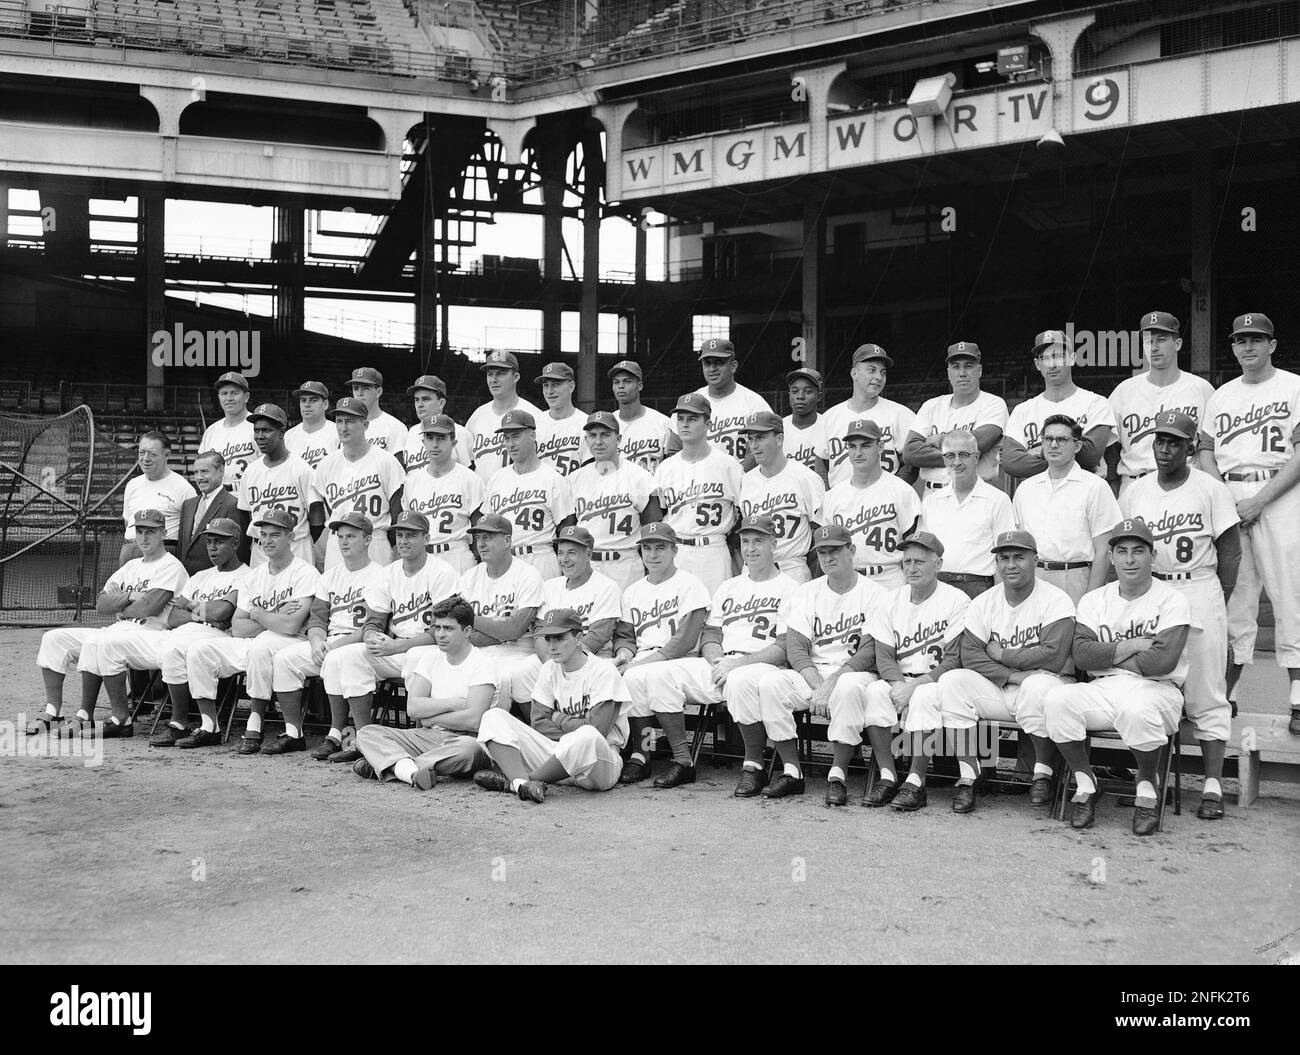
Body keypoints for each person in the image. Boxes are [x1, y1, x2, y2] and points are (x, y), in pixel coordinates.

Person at [1121, 410, 1241, 819]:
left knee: (1207, 690)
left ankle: (1212, 783)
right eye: (1159, 440)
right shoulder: (1137, 490)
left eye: (1174, 442)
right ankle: (1147, 781)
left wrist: (1218, 596)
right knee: (1148, 683)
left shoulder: (1210, 488)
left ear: (1191, 447)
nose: (1165, 449)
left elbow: (1231, 550)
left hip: (1198, 584)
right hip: (1153, 589)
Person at [624, 515, 797, 797]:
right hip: (721, 662)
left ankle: (753, 766)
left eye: (759, 542)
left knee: (741, 680)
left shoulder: (789, 587)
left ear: (774, 544)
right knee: (658, 673)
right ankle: (682, 759)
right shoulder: (729, 587)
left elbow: (784, 647)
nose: (751, 549)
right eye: (745, 542)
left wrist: (736, 664)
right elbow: (711, 634)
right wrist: (718, 660)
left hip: (762, 664)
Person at [1044, 518, 1192, 836]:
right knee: (1057, 700)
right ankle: (1086, 781)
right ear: (1111, 557)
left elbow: (1162, 662)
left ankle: (1147, 788)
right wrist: (1131, 646)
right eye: (1121, 551)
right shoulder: (1095, 600)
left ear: (1152, 556)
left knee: (1136, 709)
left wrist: (1109, 653)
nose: (1129, 559)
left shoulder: (1172, 600)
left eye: (1138, 551)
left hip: (1159, 689)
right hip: (1104, 685)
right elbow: (1081, 655)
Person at [725, 524, 890, 799]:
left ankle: (837, 775)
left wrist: (830, 685)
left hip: (856, 672)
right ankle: (792, 771)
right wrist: (818, 685)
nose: (827, 557)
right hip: (813, 672)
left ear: (851, 551)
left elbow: (869, 651)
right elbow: (796, 648)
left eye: (834, 550)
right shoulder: (807, 592)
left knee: (848, 686)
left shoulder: (876, 593)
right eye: (822, 552)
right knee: (771, 682)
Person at [1204, 313, 1300, 734]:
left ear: (1272, 345)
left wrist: (1260, 500)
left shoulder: (1294, 386)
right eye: (1241, 340)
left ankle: (1298, 699)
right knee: (1236, 602)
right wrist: (1226, 501)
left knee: (1290, 592)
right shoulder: (1221, 395)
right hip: (1231, 496)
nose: (1248, 347)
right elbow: (1205, 453)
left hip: (1280, 495)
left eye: (1257, 340)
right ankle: (1229, 696)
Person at [933, 530, 1076, 813]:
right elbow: (970, 654)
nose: (1011, 564)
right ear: (996, 564)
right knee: (951, 681)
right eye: (1004, 558)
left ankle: (1042, 773)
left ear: (1035, 560)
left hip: (1047, 683)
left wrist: (1002, 655)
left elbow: (1053, 655)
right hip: (1004, 685)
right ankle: (969, 774)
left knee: (1036, 685)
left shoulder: (1056, 599)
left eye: (1019, 557)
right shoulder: (984, 602)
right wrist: (1012, 674)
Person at [825, 532, 968, 809]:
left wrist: (913, 688)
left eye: (920, 562)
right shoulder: (890, 600)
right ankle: (888, 776)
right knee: (876, 692)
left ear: (937, 564)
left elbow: (953, 660)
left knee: (925, 697)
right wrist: (899, 684)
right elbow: (884, 655)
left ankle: (916, 781)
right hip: (898, 678)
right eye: (907, 562)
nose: (911, 568)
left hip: (934, 679)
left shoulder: (956, 600)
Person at [30, 509, 187, 739]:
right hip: (119, 630)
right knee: (54, 638)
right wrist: (130, 597)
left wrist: (122, 603)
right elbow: (101, 604)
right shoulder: (130, 567)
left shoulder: (170, 566)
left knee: (100, 640)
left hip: (153, 633)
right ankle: (54, 712)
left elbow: (149, 608)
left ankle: (108, 718)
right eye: (140, 531)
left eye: (151, 532)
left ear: (163, 533)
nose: (144, 537)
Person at [317, 511, 460, 763]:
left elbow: (444, 629)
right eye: (400, 534)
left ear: (426, 538)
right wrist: (372, 636)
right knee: (349, 655)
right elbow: (374, 620)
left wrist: (397, 645)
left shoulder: (442, 572)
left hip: (433, 649)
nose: (403, 540)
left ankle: (418, 737)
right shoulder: (388, 573)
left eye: (411, 535)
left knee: (417, 655)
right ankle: (364, 739)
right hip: (397, 647)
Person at [178, 509, 321, 751]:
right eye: (263, 535)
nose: (267, 541)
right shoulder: (254, 577)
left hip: (292, 641)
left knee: (261, 646)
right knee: (199, 650)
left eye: (275, 535)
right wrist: (268, 614)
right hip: (257, 638)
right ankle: (208, 726)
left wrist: (255, 614)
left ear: (291, 537)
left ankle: (256, 724)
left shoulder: (305, 573)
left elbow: (291, 625)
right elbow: (238, 626)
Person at [474, 608, 631, 802]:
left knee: (586, 735)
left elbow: (598, 730)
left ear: (579, 638)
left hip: (597, 766)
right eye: (548, 639)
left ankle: (520, 782)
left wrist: (557, 717)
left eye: (559, 638)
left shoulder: (604, 672)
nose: (552, 646)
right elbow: (539, 724)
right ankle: (525, 785)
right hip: (556, 760)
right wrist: (572, 728)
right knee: (493, 716)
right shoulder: (549, 669)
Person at [266, 512, 386, 759]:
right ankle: (293, 733)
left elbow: (375, 624)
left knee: (337, 658)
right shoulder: (330, 575)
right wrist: (317, 642)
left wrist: (333, 646)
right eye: (340, 536)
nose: (344, 542)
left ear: (367, 540)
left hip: (358, 643)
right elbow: (317, 618)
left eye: (351, 536)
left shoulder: (380, 574)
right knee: (284, 659)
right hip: (328, 641)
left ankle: (336, 733)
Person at [353, 595, 496, 788]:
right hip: (428, 737)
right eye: (437, 628)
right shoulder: (430, 657)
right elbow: (413, 708)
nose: (441, 634)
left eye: (449, 628)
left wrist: (432, 718)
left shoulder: (483, 663)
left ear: (467, 631)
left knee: (468, 750)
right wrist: (453, 703)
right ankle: (411, 771)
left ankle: (394, 765)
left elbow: (473, 720)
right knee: (366, 734)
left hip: (465, 740)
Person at [615, 523, 713, 787]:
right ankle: (642, 753)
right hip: (646, 658)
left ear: (674, 550)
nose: (653, 554)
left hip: (684, 660)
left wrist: (640, 664)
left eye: (661, 548)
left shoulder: (690, 584)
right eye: (647, 548)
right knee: (629, 679)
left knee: (651, 674)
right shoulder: (633, 590)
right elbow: (626, 636)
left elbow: (686, 640)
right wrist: (624, 655)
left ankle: (683, 759)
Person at [143, 518, 249, 747]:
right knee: (171, 647)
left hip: (219, 635)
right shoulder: (201, 576)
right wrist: (199, 613)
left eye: (219, 541)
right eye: (210, 541)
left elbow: (223, 612)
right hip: (191, 630)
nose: (212, 547)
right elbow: (172, 616)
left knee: (179, 648)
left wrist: (192, 606)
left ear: (235, 543)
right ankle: (179, 724)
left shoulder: (246, 575)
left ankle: (205, 725)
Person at [1011, 414, 1121, 604]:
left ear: (1077, 446)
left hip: (1075, 578)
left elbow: (1103, 550)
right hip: (1032, 580)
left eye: (1062, 439)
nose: (1054, 445)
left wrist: (1091, 601)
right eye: (1048, 439)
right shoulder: (1025, 489)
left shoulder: (1095, 487)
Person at [1109, 311, 1215, 495]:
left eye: (1162, 339)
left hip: (1187, 486)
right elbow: (1109, 448)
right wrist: (1114, 487)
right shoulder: (1123, 391)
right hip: (1135, 484)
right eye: (1149, 341)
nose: (1154, 347)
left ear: (1178, 344)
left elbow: (1210, 447)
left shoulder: (1201, 389)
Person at [653, 392, 743, 594]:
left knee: (715, 617)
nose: (685, 424)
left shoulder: (728, 465)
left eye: (692, 419)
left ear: (708, 425)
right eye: (681, 419)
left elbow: (743, 514)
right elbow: (658, 515)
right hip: (677, 551)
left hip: (713, 551)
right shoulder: (665, 468)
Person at [458, 514, 547, 711]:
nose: (480, 544)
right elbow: (462, 633)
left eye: (488, 537)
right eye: (478, 538)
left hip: (518, 652)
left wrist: (472, 619)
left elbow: (515, 630)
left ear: (507, 540)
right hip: (478, 651)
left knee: (504, 675)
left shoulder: (527, 575)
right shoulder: (469, 577)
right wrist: (501, 633)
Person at [1002, 330, 1116, 479]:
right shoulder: (1022, 410)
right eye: (1044, 358)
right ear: (1037, 364)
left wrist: (1040, 452)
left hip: (1081, 492)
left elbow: (1089, 455)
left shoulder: (1096, 403)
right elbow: (1012, 463)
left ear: (1073, 358)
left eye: (1059, 356)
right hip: (1038, 495)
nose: (1052, 364)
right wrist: (1071, 463)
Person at [566, 411, 661, 591]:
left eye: (605, 435)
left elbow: (653, 529)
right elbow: (568, 533)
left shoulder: (640, 477)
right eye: (592, 436)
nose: (598, 441)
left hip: (626, 565)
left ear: (618, 439)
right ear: (586, 440)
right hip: (588, 565)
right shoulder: (574, 479)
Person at [821, 418, 920, 590]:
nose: (858, 452)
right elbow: (826, 549)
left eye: (865, 445)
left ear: (880, 447)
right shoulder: (833, 496)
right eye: (852, 446)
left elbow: (914, 546)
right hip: (848, 581)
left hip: (889, 579)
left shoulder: (902, 491)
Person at [308, 397, 404, 570]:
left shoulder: (386, 461)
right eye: (339, 421)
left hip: (374, 540)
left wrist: (396, 549)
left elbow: (397, 511)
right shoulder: (326, 464)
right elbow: (328, 510)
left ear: (365, 425)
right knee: (337, 595)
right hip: (338, 542)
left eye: (350, 421)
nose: (343, 428)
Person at [917, 430, 1016, 599]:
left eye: (963, 455)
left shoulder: (997, 500)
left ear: (976, 457)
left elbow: (1005, 555)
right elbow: (925, 553)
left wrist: (1001, 600)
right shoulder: (931, 502)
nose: (956, 462)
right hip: (938, 587)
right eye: (950, 456)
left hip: (979, 588)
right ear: (943, 458)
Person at [483, 409, 575, 580]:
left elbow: (566, 528)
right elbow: (488, 528)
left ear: (532, 435)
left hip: (540, 557)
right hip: (506, 560)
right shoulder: (497, 479)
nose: (510, 444)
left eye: (516, 436)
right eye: (506, 438)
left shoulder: (553, 479)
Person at [904, 342, 1008, 492]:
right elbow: (910, 453)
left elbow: (978, 443)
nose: (962, 373)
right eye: (956, 366)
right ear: (948, 372)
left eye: (968, 366)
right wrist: (964, 454)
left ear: (979, 370)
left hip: (975, 492)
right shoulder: (931, 406)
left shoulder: (993, 404)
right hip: (933, 494)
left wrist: (939, 440)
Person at [739, 411, 824, 583]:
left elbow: (822, 533)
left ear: (779, 439)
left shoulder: (805, 478)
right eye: (751, 439)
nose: (754, 445)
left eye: (761, 437)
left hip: (791, 568)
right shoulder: (745, 481)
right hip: (751, 571)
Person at [821, 344, 916, 486]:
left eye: (883, 372)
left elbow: (910, 464)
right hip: (842, 502)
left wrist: (894, 491)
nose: (878, 377)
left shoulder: (901, 414)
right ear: (854, 373)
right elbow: (822, 464)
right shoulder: (830, 417)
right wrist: (830, 496)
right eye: (872, 370)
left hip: (884, 502)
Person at [399, 414, 483, 574]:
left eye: (441, 438)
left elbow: (479, 528)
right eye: (429, 438)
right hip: (421, 558)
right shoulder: (412, 482)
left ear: (453, 443)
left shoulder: (470, 479)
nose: (435, 444)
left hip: (456, 556)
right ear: (423, 442)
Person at [237, 404, 314, 566]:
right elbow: (246, 515)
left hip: (296, 548)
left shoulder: (302, 469)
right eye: (256, 430)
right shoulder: (250, 472)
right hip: (260, 551)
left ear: (281, 432)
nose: (260, 436)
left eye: (266, 430)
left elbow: (316, 519)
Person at [687, 337, 772, 465]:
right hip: (700, 480)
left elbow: (764, 448)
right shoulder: (691, 401)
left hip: (743, 480)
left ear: (733, 366)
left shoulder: (753, 402)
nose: (712, 368)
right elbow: (675, 448)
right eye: (707, 363)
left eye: (719, 362)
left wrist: (735, 476)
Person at [466, 350, 544, 482]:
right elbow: (466, 461)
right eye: (490, 374)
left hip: (517, 495)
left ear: (516, 377)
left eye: (501, 374)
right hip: (483, 497)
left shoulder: (534, 415)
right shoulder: (478, 415)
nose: (494, 379)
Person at [120, 431, 195, 565]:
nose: (145, 458)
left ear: (167, 455)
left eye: (152, 454)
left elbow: (192, 530)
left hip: (164, 553)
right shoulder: (132, 484)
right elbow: (127, 522)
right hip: (129, 550)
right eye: (142, 452)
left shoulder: (184, 488)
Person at [176, 451, 240, 575]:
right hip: (187, 581)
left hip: (216, 582)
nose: (199, 477)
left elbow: (239, 551)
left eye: (204, 471)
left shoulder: (233, 504)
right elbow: (182, 549)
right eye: (196, 472)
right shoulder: (188, 505)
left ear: (221, 471)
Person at [609, 359, 674, 472]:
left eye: (627, 381)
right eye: (616, 382)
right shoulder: (608, 423)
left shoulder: (662, 423)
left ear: (639, 386)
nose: (621, 386)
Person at [199, 371, 257, 492]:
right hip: (218, 495)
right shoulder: (211, 431)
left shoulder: (256, 426)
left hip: (249, 494)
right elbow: (202, 467)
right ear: (219, 397)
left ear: (246, 397)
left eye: (234, 393)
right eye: (224, 393)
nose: (229, 398)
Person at [402, 374, 470, 472]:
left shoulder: (459, 433)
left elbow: (469, 475)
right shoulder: (411, 432)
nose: (420, 405)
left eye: (426, 399)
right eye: (417, 400)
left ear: (441, 403)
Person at [533, 361, 590, 476]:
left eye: (555, 384)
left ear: (571, 386)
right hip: (540, 492)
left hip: (574, 492)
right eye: (546, 385)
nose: (549, 391)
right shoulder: (534, 424)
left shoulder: (586, 423)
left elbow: (590, 471)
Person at [782, 367, 829, 483]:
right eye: (794, 391)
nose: (800, 396)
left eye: (808, 391)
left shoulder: (828, 426)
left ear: (819, 396)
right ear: (789, 395)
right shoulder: (778, 427)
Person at [348, 367, 407, 458]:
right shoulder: (346, 427)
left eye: (365, 388)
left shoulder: (395, 426)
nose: (359, 393)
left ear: (379, 392)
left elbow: (397, 468)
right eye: (355, 388)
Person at [285, 380, 339, 470]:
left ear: (325, 404)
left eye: (313, 400)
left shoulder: (337, 433)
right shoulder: (289, 436)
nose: (307, 404)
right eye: (303, 400)